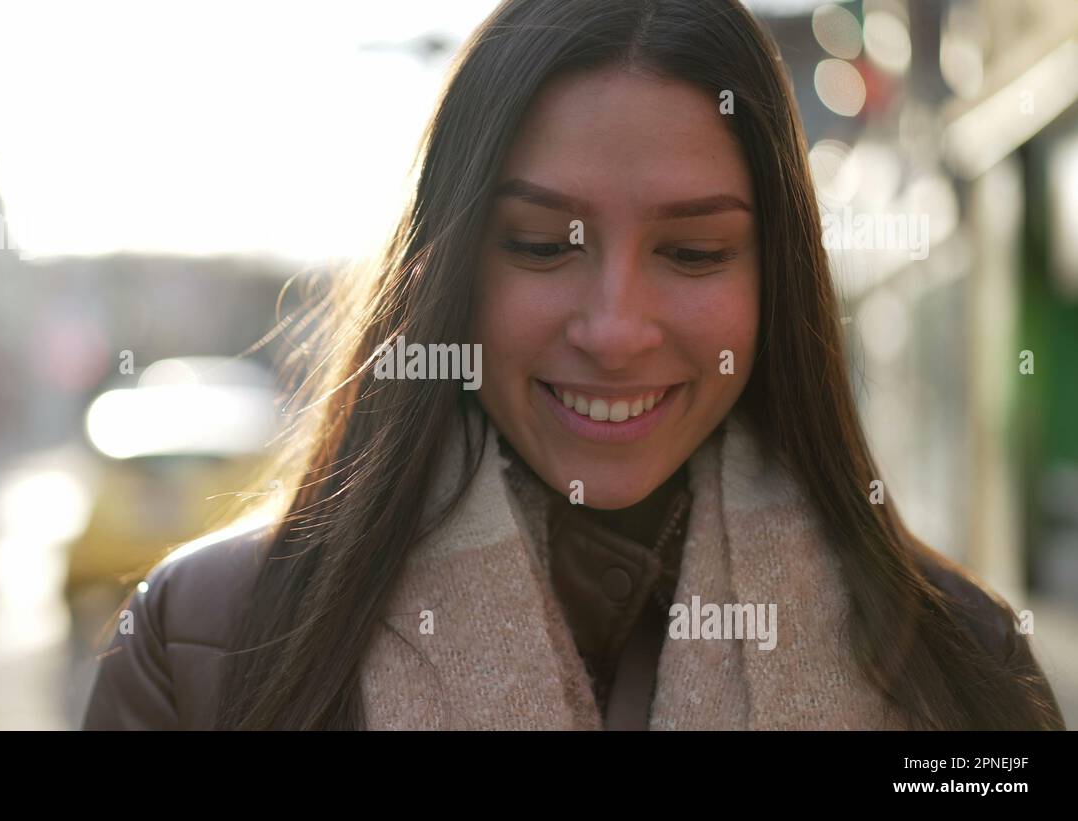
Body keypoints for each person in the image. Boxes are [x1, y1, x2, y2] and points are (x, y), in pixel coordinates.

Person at [83, 0, 1064, 730]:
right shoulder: (203, 642)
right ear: (452, 267)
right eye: (543, 245)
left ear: (778, 281)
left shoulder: (961, 663)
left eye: (691, 252)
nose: (614, 328)